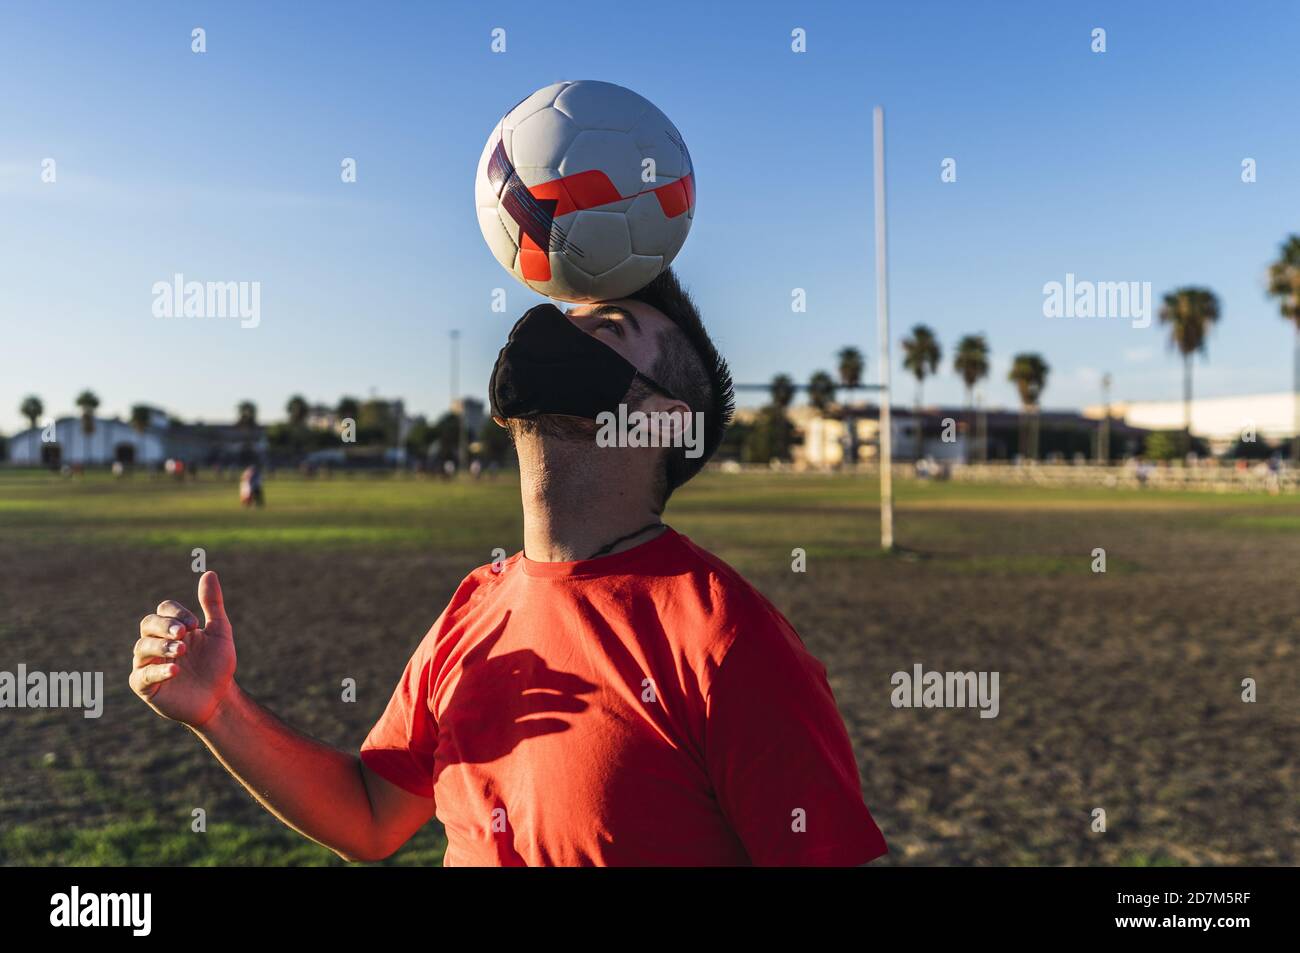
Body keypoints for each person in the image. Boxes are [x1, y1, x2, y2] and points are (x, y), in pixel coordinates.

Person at [130, 269, 887, 866]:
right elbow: (368, 819)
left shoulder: (725, 637)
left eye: (609, 326)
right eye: (568, 313)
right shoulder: (475, 605)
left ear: (662, 418)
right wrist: (219, 710)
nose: (558, 327)